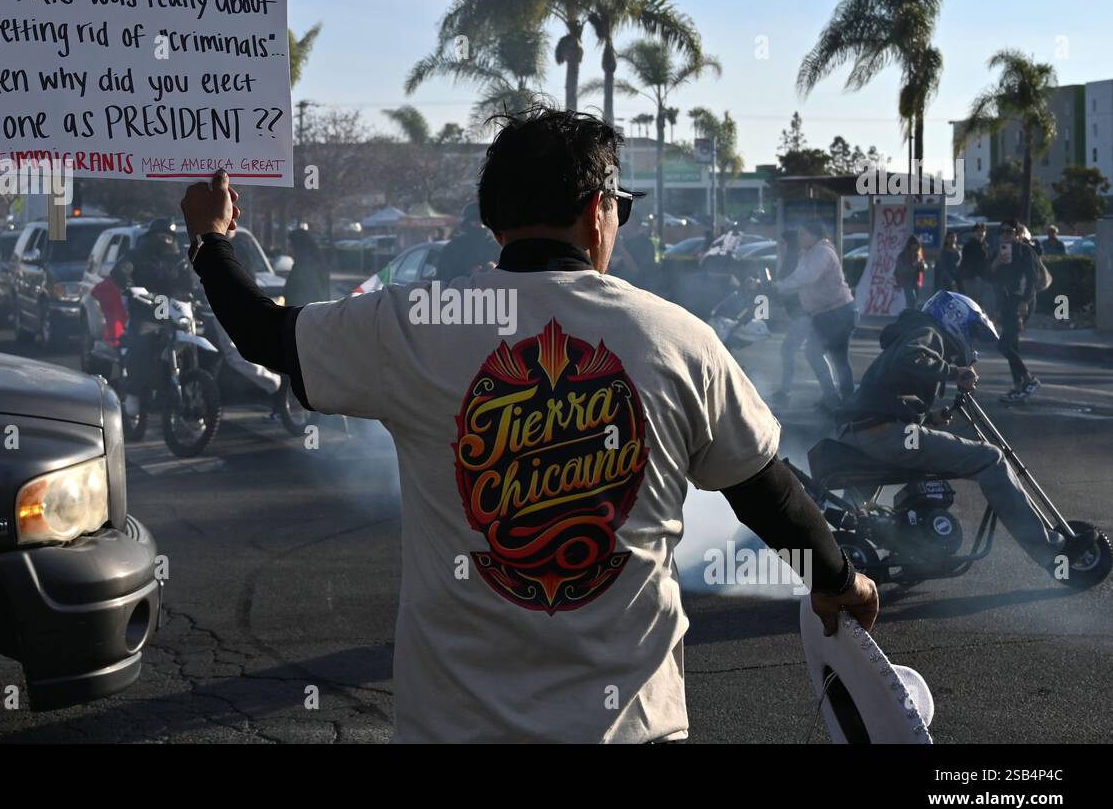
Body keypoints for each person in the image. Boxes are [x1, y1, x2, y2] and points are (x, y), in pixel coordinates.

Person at [181, 107, 877, 743]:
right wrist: (839, 581)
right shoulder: (678, 339)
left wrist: (211, 239)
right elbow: (763, 490)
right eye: (620, 208)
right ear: (598, 209)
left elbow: (263, 334)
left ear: (495, 222)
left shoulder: (413, 325)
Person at [836, 290, 1093, 572]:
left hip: (865, 431)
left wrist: (929, 417)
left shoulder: (912, 330)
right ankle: (1051, 551)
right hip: (884, 434)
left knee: (866, 502)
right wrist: (955, 371)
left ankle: (910, 547)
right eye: (970, 331)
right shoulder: (927, 331)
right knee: (990, 458)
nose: (969, 339)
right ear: (953, 318)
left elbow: (891, 391)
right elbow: (910, 358)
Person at [774, 220, 857, 413]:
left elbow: (807, 278)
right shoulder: (809, 254)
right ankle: (837, 399)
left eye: (803, 234)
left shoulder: (823, 252)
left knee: (833, 356)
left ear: (814, 234)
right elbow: (798, 281)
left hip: (837, 312)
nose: (800, 238)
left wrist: (781, 286)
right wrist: (779, 288)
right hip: (825, 313)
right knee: (823, 355)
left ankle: (844, 401)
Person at [112, 218, 194, 403]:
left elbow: (192, 278)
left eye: (169, 236)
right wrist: (129, 286)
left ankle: (192, 385)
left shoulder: (180, 258)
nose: (165, 239)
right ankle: (133, 393)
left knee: (198, 340)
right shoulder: (136, 255)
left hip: (176, 311)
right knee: (140, 342)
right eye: (161, 235)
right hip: (147, 309)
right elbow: (120, 270)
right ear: (151, 236)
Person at [768, 228, 827, 410]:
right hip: (806, 314)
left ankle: (786, 393)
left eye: (782, 243)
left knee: (790, 350)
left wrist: (773, 289)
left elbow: (793, 288)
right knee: (814, 354)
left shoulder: (794, 261)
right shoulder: (792, 260)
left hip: (806, 314)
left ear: (789, 244)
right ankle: (830, 393)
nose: (779, 246)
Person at [992, 219, 1043, 403]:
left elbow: (1032, 279)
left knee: (1003, 345)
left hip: (1022, 302)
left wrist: (1025, 302)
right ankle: (1017, 387)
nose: (1005, 235)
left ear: (1017, 233)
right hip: (1008, 303)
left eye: (1009, 231)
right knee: (1012, 345)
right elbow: (990, 277)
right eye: (1002, 231)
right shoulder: (1000, 252)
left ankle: (1030, 379)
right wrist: (997, 262)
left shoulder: (1025, 251)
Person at [435, 201, 499, 282]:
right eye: (475, 222)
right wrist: (468, 275)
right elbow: (440, 281)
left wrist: (494, 269)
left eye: (483, 222)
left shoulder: (496, 247)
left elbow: (510, 279)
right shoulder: (452, 249)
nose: (480, 226)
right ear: (466, 224)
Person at [282, 227, 331, 306]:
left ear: (298, 246)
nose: (289, 250)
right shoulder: (312, 263)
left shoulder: (305, 267)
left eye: (291, 246)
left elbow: (307, 297)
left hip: (305, 311)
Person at [958, 223, 990, 307]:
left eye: (983, 231)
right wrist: (976, 276)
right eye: (978, 231)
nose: (980, 233)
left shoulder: (985, 245)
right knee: (972, 302)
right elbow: (967, 263)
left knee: (982, 301)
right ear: (973, 233)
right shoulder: (968, 246)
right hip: (970, 278)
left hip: (982, 278)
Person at [894, 235, 927, 310]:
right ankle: (911, 312)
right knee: (911, 299)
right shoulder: (903, 255)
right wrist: (913, 265)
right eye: (913, 245)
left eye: (916, 246)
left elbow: (922, 267)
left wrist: (922, 266)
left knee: (915, 299)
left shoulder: (917, 254)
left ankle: (911, 312)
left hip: (915, 280)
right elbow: (901, 269)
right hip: (906, 280)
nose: (915, 248)